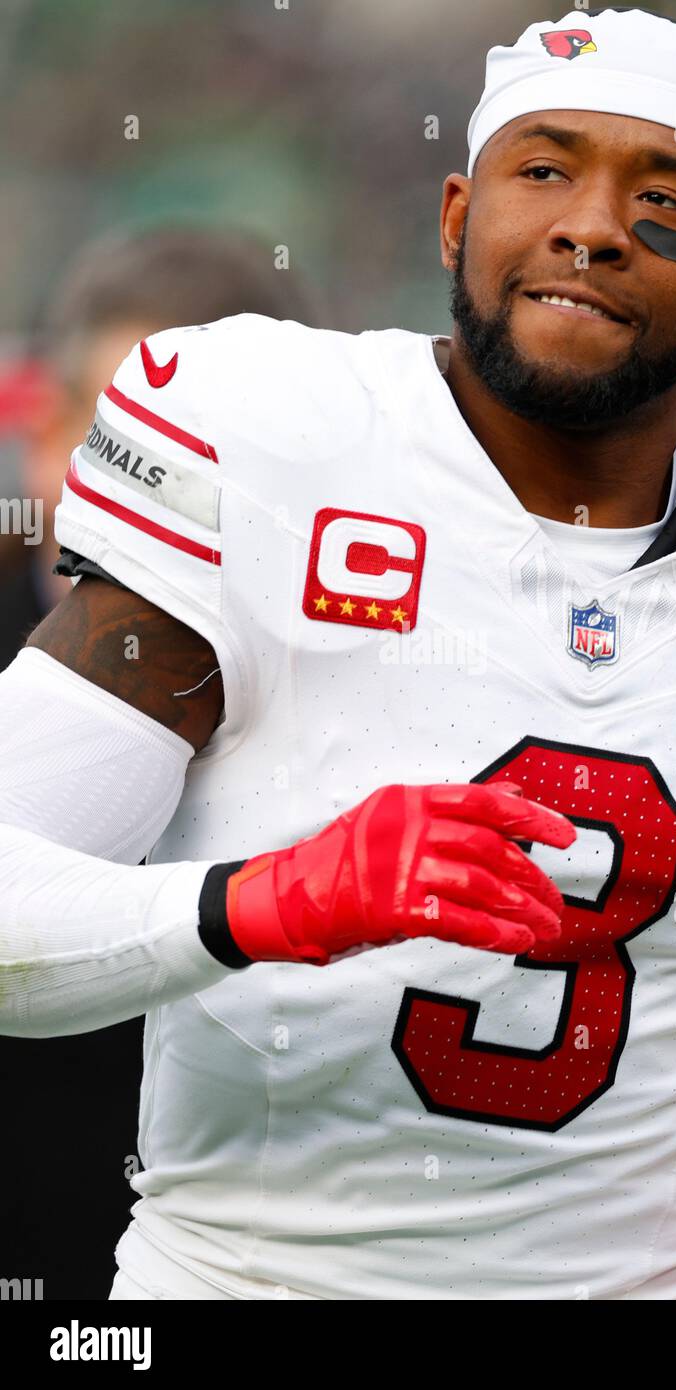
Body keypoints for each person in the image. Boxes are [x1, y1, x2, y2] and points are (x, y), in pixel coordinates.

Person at [1, 8, 676, 1301]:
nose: (591, 222)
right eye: (545, 168)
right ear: (456, 216)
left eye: (662, 191)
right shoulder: (264, 438)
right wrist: (275, 896)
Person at [0, 225, 315, 1299]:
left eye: (187, 467)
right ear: (39, 427)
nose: (132, 507)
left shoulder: (387, 691)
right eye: (107, 444)